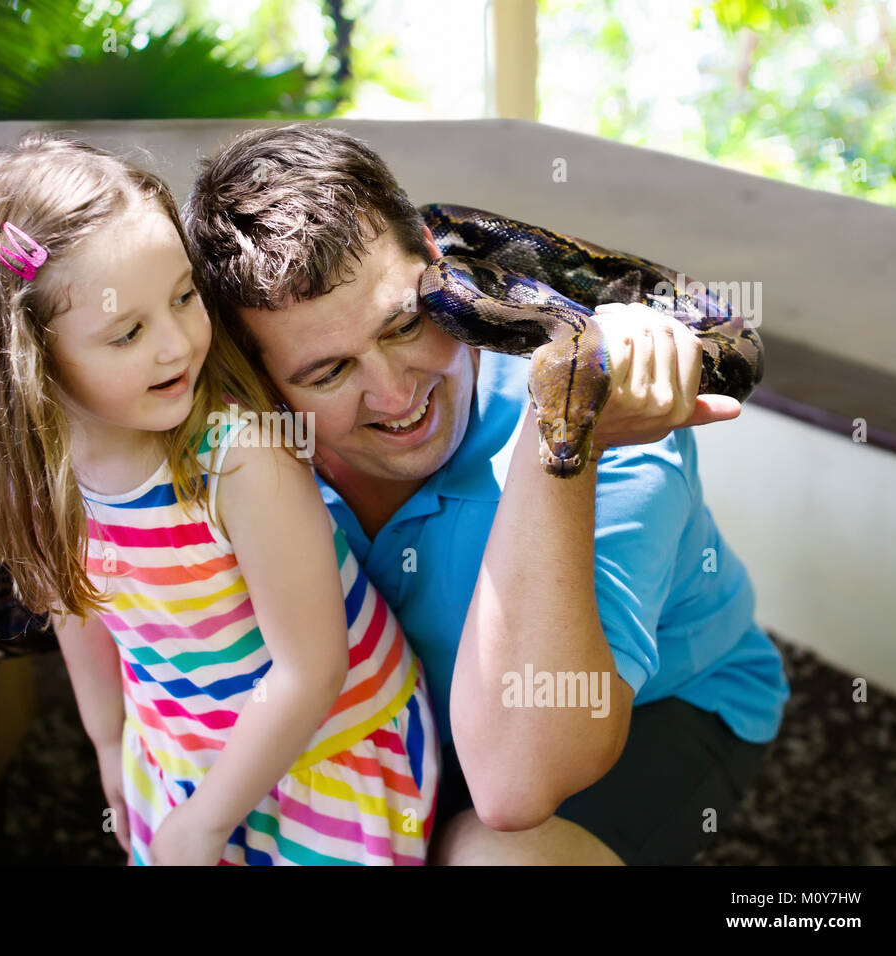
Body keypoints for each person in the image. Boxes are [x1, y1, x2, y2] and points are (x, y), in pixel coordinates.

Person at [181, 123, 790, 865]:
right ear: (259, 383)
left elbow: (515, 785)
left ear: (441, 270)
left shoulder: (620, 416)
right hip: (421, 724)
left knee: (494, 856)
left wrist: (560, 448)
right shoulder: (244, 445)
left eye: (406, 324)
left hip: (657, 705)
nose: (395, 391)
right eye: (327, 373)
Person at [0, 130, 440, 866]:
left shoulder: (239, 460)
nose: (176, 345)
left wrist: (205, 821)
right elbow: (77, 610)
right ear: (31, 359)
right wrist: (109, 744)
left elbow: (312, 670)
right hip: (184, 752)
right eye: (128, 331)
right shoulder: (48, 475)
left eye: (183, 297)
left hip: (328, 751)